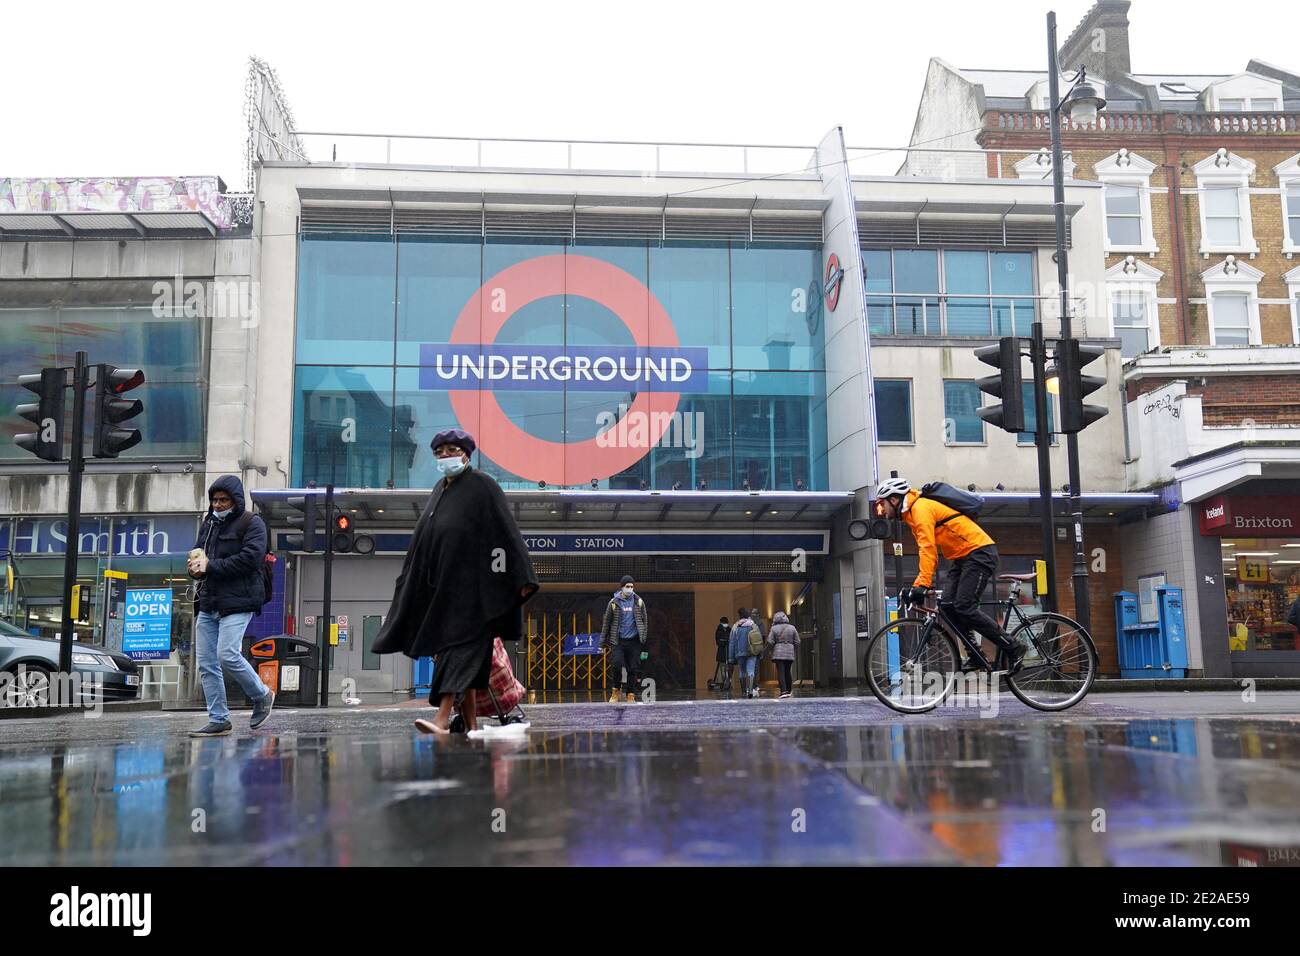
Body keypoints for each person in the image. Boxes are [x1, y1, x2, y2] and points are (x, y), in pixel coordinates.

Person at [374, 429, 539, 734]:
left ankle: (442, 717)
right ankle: (471, 725)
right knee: (468, 663)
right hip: (445, 593)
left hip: (476, 593)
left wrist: (520, 577)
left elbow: (506, 532)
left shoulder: (483, 486)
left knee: (456, 651)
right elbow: (425, 539)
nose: (446, 456)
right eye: (440, 452)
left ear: (466, 454)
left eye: (452, 450)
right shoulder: (440, 491)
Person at [873, 476, 1025, 673]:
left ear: (894, 500)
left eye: (882, 504)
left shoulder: (920, 509)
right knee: (947, 607)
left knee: (964, 606)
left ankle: (1014, 646)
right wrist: (918, 585)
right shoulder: (912, 514)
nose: (881, 510)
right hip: (963, 558)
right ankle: (976, 656)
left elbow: (928, 550)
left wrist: (922, 585)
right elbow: (927, 551)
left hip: (979, 552)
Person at [187, 475, 275, 737]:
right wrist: (194, 568)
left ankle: (262, 695)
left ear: (235, 500)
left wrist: (210, 566)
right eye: (214, 500)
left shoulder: (253, 523)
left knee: (227, 654)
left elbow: (251, 559)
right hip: (209, 601)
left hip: (239, 600)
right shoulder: (209, 524)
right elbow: (199, 554)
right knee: (206, 663)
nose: (218, 504)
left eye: (223, 500)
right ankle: (218, 718)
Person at [601, 575, 648, 703]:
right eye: (627, 586)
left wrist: (643, 638)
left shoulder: (638, 601)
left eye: (632, 586)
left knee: (632, 668)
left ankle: (630, 694)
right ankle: (616, 690)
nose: (630, 589)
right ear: (622, 587)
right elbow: (607, 622)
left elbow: (645, 621)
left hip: (634, 641)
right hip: (618, 640)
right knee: (616, 665)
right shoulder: (613, 603)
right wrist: (602, 641)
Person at [728, 607, 763, 698]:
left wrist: (731, 658)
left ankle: (744, 691)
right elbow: (758, 640)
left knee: (742, 672)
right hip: (752, 652)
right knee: (751, 671)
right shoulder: (753, 625)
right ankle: (751, 690)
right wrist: (759, 652)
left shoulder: (735, 627)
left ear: (739, 616)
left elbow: (731, 643)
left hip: (740, 653)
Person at [767, 610, 800, 699]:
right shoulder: (792, 628)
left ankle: (783, 691)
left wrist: (771, 650)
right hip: (789, 652)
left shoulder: (774, 629)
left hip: (778, 652)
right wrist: (793, 648)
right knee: (788, 671)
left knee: (781, 672)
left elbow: (770, 641)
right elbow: (797, 641)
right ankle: (789, 690)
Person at [712, 616, 731, 690]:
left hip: (728, 653)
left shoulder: (730, 630)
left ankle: (728, 683)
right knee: (723, 670)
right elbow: (718, 642)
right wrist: (725, 641)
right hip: (722, 654)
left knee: (729, 669)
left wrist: (725, 641)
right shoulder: (718, 630)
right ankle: (724, 684)